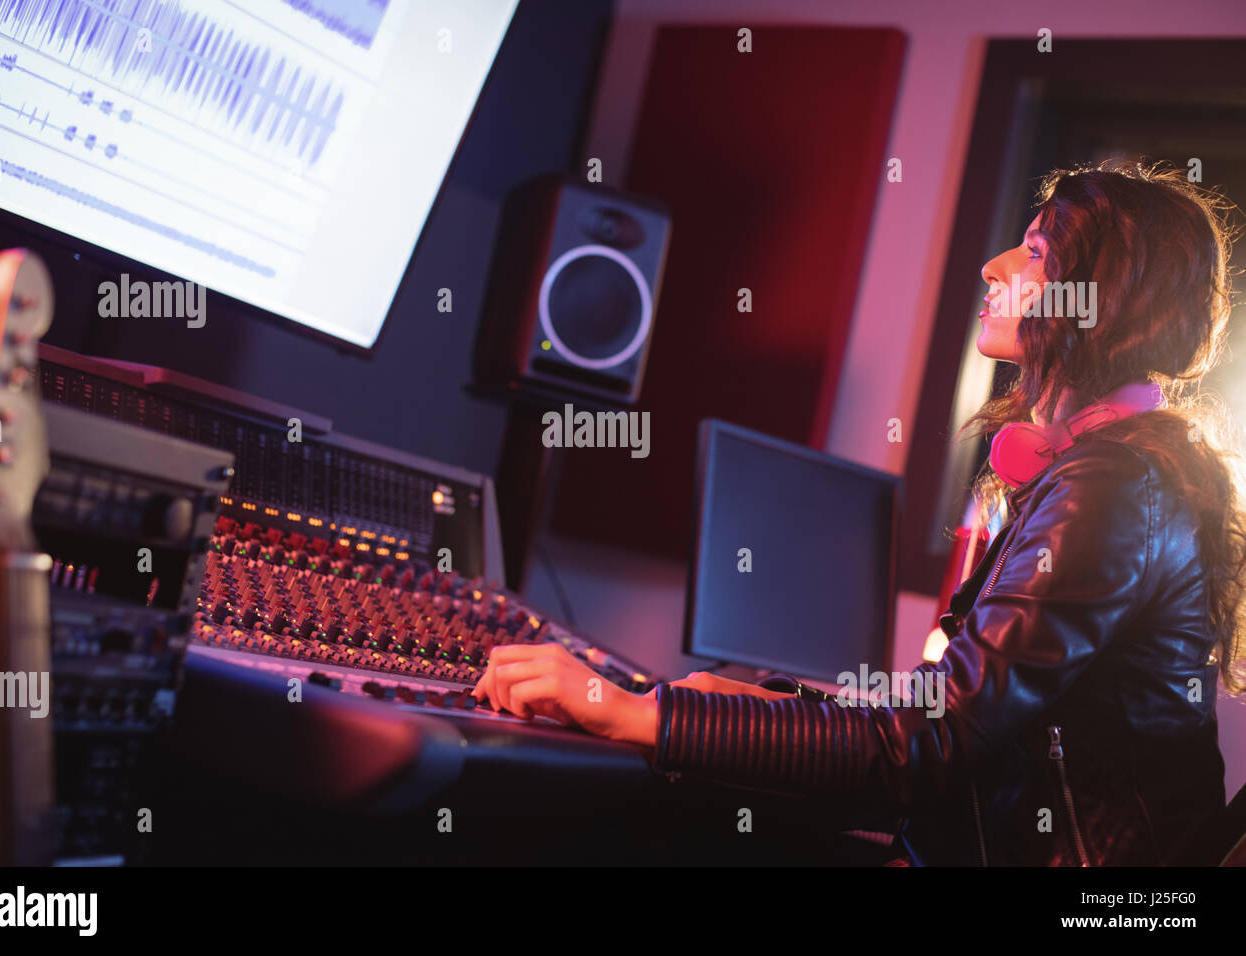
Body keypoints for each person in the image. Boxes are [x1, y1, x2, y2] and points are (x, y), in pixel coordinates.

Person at [472, 159, 1246, 865]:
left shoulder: (1111, 485)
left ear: (1102, 301)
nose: (994, 267)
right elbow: (954, 717)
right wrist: (759, 708)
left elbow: (933, 743)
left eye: (1036, 253)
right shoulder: (1127, 470)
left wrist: (641, 715)